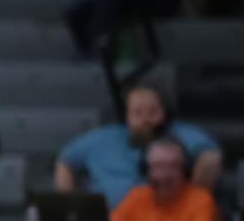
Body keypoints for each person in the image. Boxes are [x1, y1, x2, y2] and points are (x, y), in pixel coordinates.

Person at [54, 81, 221, 210]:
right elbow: (65, 161)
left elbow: (210, 155)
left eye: (152, 112)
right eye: (137, 113)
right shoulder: (102, 138)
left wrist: (191, 205)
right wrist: (71, 209)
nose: (145, 120)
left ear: (164, 112)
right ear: (126, 116)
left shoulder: (178, 135)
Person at [109, 137, 221, 221]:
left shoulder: (200, 200)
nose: (164, 175)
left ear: (185, 170)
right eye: (158, 166)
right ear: (146, 170)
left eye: (173, 166)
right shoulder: (137, 196)